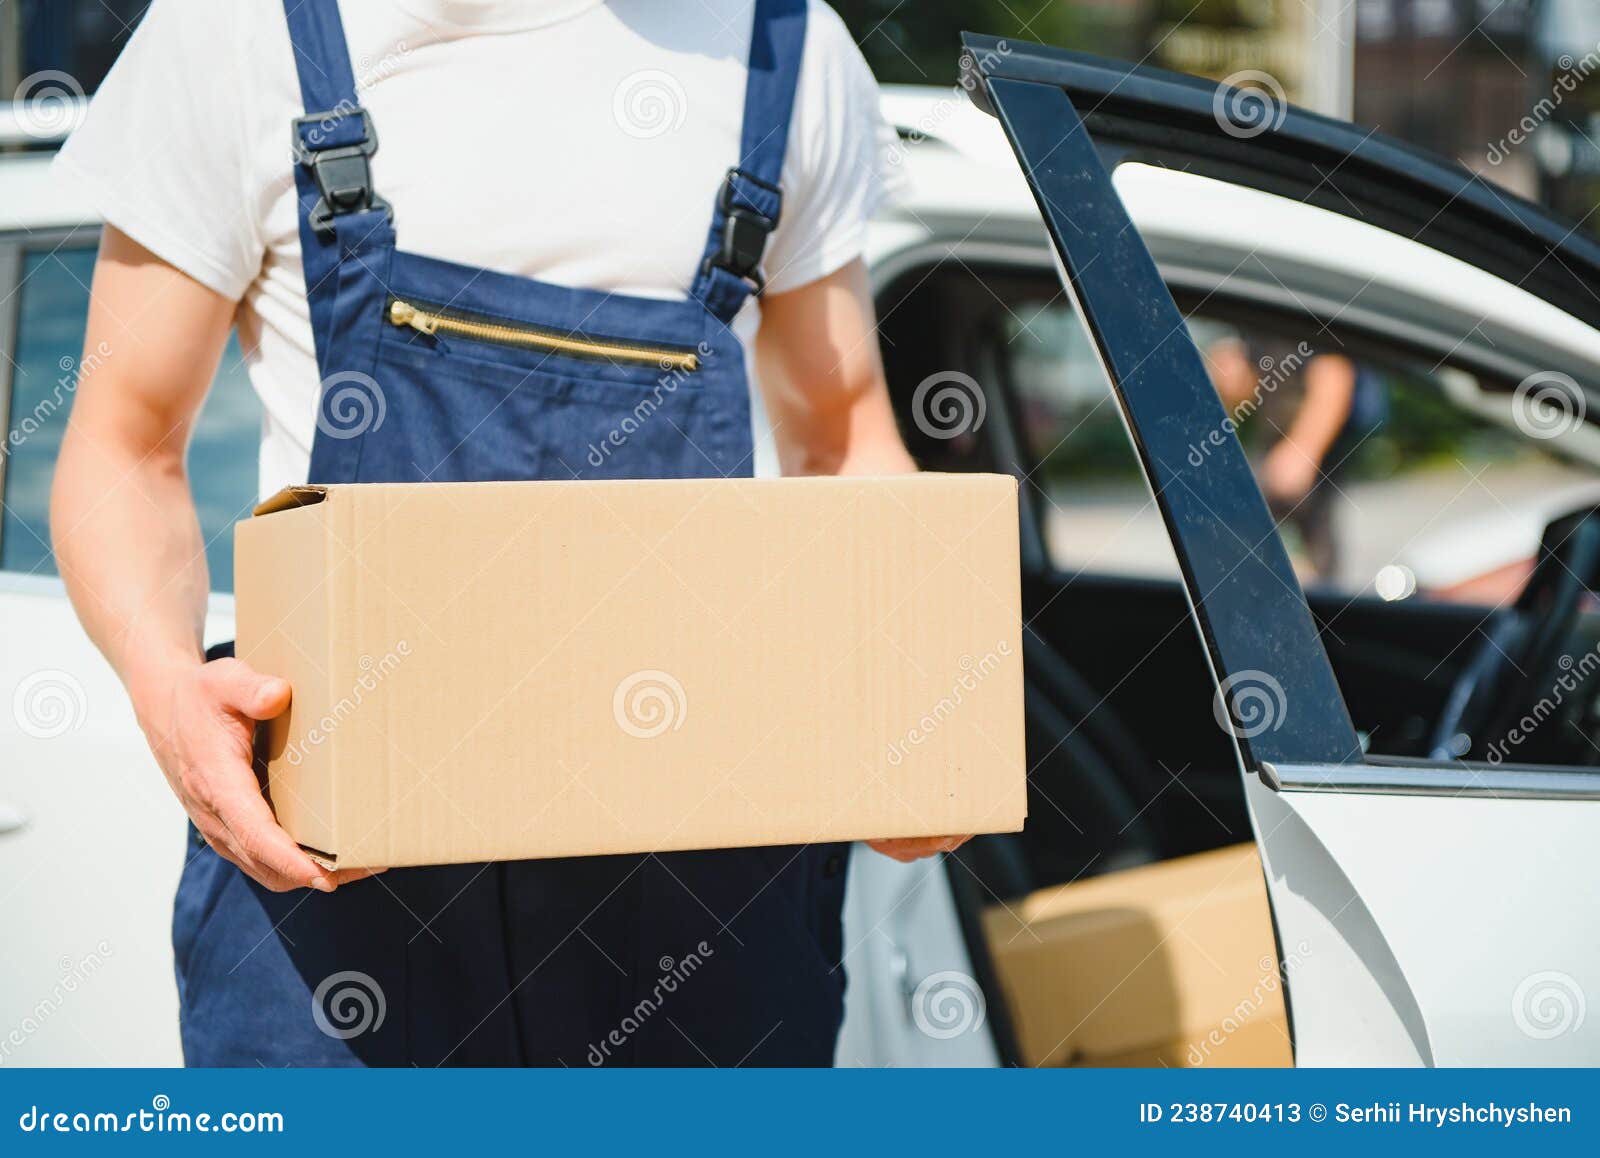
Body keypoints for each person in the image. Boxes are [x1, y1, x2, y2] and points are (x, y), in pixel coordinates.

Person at [49, 0, 967, 1067]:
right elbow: (125, 447)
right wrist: (167, 690)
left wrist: (909, 713)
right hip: (336, 890)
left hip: (693, 898)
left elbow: (842, 438)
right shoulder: (243, 29)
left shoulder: (786, 46)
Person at [1204, 332, 1383, 581]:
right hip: (1274, 448)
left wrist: (1303, 450)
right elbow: (1245, 384)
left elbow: (1333, 373)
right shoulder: (1255, 326)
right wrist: (1226, 369)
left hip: (1310, 457)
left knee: (1313, 563)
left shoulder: (1305, 319)